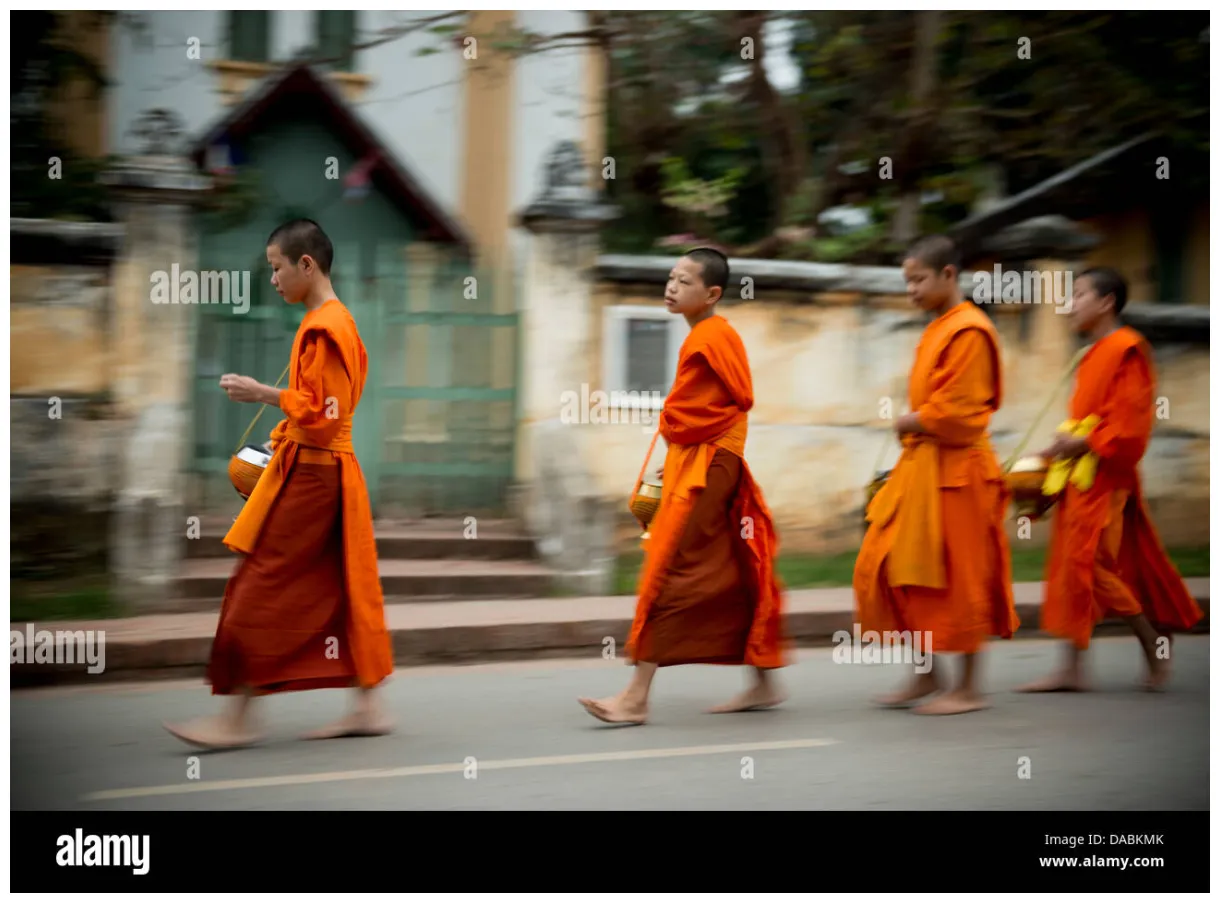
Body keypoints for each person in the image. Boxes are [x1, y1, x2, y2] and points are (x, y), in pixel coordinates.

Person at [164, 219, 394, 749]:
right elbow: (319, 408)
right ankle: (368, 704)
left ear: (305, 265)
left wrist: (262, 393)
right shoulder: (332, 322)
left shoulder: (327, 327)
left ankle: (238, 718)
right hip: (320, 469)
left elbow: (327, 417)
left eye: (275, 267)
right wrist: (278, 433)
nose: (272, 279)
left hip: (316, 475)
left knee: (257, 583)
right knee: (341, 586)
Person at [578, 248, 788, 724]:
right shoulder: (710, 335)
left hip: (708, 465)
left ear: (711, 293)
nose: (672, 287)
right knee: (730, 568)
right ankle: (764, 681)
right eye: (670, 278)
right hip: (711, 463)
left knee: (669, 567)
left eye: (684, 281)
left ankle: (634, 698)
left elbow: (698, 415)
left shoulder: (710, 338)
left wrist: (668, 421)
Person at [853, 235, 1019, 716]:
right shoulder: (939, 328)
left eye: (918, 279)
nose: (911, 290)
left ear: (949, 275)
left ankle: (968, 688)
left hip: (960, 475)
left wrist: (911, 421)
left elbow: (962, 412)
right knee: (891, 564)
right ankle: (926, 672)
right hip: (923, 470)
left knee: (961, 578)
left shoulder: (969, 330)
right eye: (907, 281)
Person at [1017, 267, 1202, 693]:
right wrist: (1053, 453)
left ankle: (1153, 643)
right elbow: (1085, 423)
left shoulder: (1127, 350)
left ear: (1106, 303)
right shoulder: (1090, 353)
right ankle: (1071, 669)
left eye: (1079, 294)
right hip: (1078, 478)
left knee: (1092, 566)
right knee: (1070, 569)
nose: (1070, 304)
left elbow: (1130, 428)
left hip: (1107, 482)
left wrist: (1077, 446)